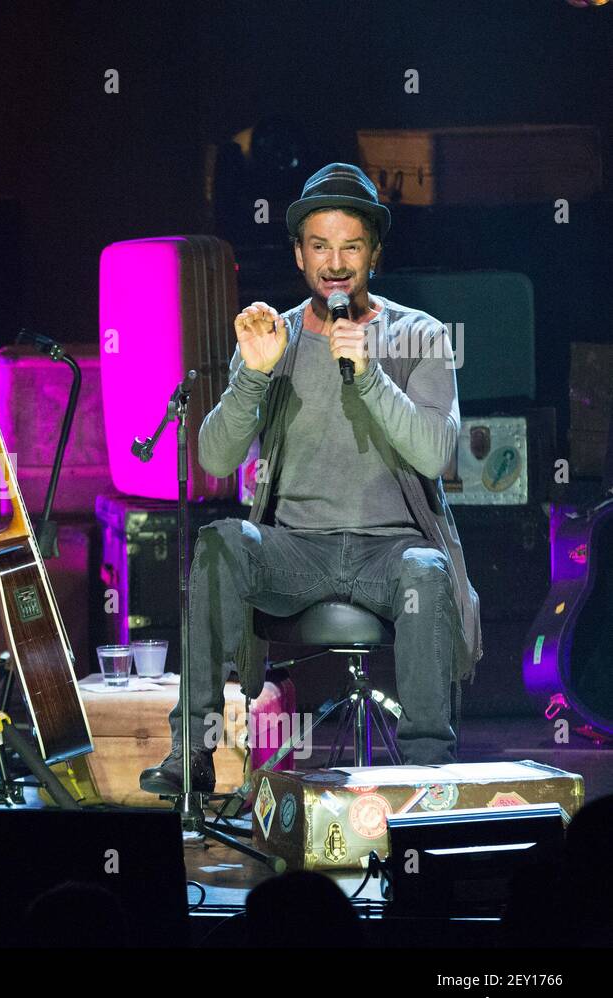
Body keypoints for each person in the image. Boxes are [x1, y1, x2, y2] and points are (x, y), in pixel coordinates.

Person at [140, 163, 482, 794]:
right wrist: (252, 375)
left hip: (391, 551)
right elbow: (214, 459)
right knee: (220, 541)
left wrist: (371, 374)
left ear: (374, 252)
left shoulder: (420, 336)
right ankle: (191, 753)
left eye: (351, 246)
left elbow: (435, 454)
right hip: (297, 551)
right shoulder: (280, 336)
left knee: (429, 571)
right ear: (299, 254)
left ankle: (429, 773)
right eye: (320, 246)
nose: (335, 262)